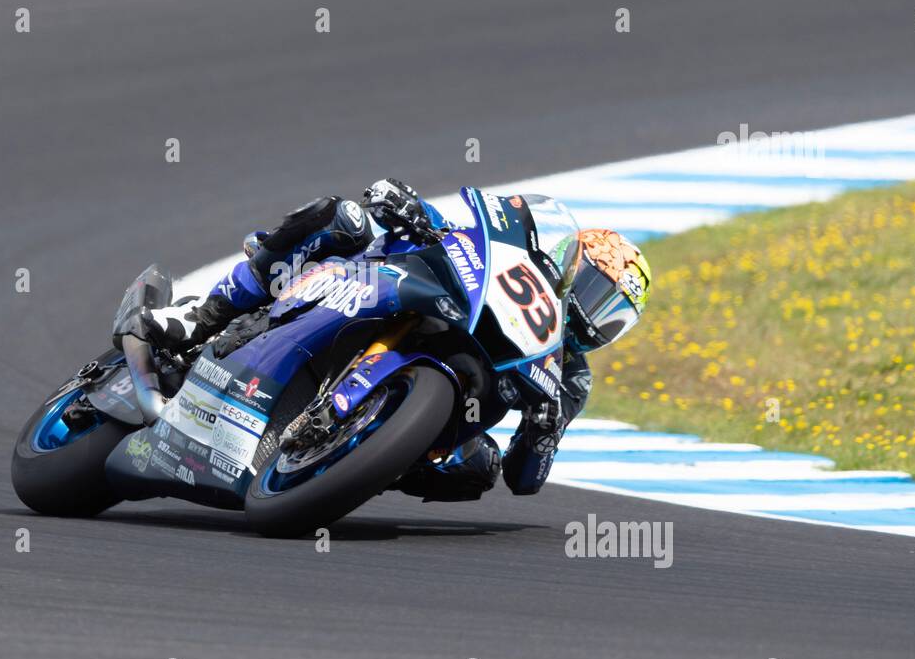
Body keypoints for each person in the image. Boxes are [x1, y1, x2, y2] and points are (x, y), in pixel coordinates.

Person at [134, 179, 651, 498]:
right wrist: (411, 208)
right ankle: (200, 317)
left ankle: (365, 460)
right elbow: (460, 236)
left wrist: (541, 433)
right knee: (341, 218)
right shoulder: (521, 264)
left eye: (612, 318)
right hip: (395, 290)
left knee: (479, 469)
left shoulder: (572, 380)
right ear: (570, 267)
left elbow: (526, 480)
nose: (593, 317)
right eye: (595, 292)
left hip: (458, 405)